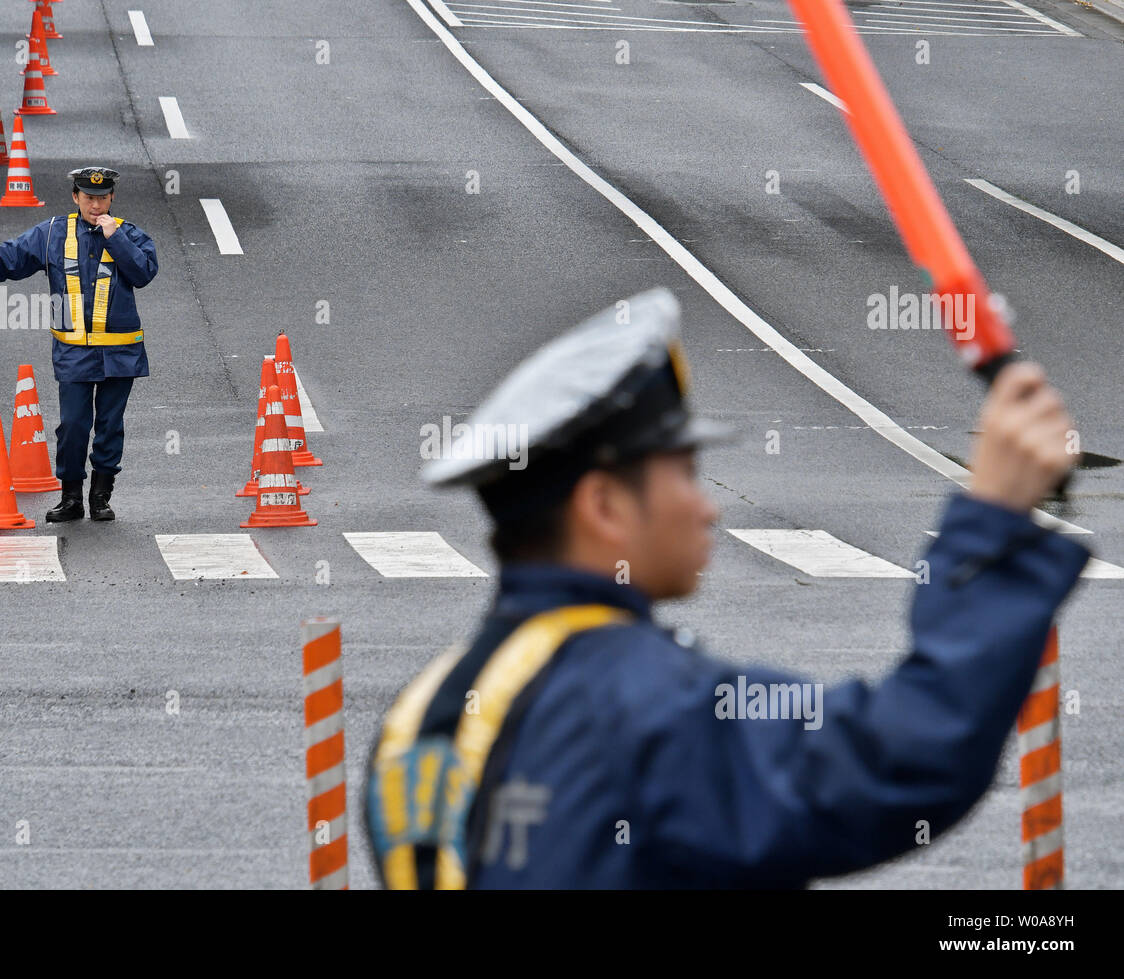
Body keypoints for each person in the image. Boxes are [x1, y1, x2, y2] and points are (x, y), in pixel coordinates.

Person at [364, 287, 1088, 888]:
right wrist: (989, 526)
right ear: (605, 507)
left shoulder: (418, 718)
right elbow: (902, 756)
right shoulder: (650, 708)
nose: (707, 503)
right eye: (684, 470)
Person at [0, 166, 158, 522]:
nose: (96, 204)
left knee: (110, 425)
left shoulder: (130, 234)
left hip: (121, 354)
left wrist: (115, 238)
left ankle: (101, 497)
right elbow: (7, 259)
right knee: (74, 425)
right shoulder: (52, 234)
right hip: (75, 353)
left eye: (102, 197)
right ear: (75, 197)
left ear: (112, 198)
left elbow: (144, 273)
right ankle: (72, 497)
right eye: (88, 198)